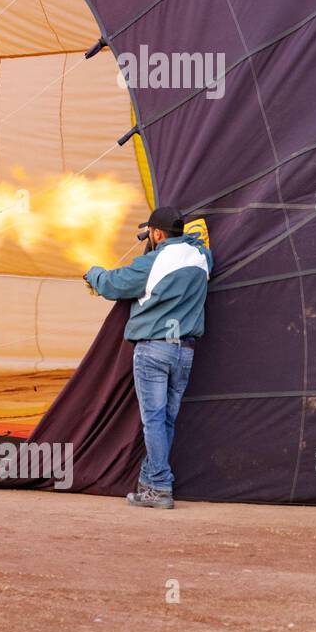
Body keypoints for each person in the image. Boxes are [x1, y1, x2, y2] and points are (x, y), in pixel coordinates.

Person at [84, 206, 213, 509]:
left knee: (153, 420)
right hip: (185, 350)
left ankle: (159, 486)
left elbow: (113, 284)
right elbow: (200, 243)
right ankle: (150, 481)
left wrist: (92, 272)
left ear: (156, 234)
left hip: (154, 349)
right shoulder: (202, 258)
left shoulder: (153, 263)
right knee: (166, 420)